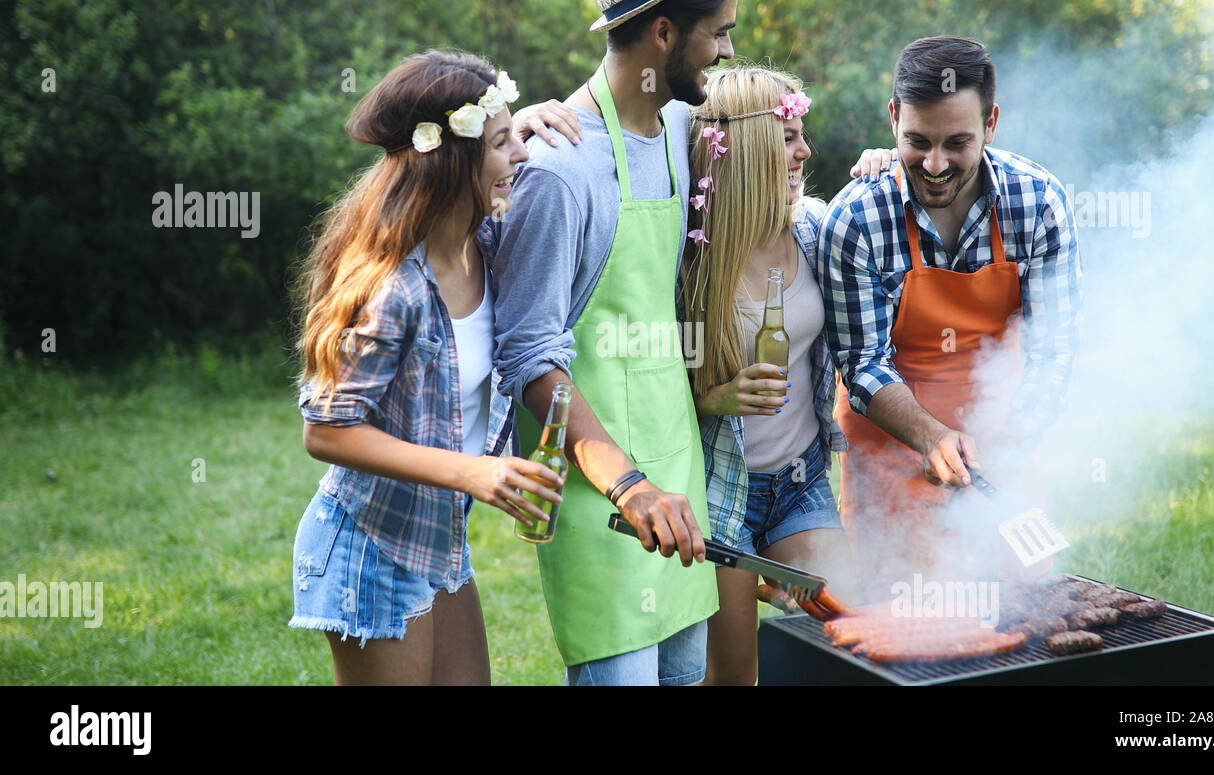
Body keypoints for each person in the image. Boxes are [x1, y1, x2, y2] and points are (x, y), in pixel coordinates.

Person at [288, 49, 578, 685]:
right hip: (370, 546)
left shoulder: (484, 246)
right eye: (502, 144)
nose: (521, 157)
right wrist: (474, 471)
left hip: (438, 539)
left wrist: (519, 127)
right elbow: (326, 431)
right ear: (454, 162)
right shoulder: (395, 286)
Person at [491, 0, 743, 686]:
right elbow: (528, 359)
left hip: (679, 482)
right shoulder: (559, 168)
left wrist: (881, 163)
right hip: (604, 496)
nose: (727, 53)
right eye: (719, 34)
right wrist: (629, 486)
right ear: (664, 33)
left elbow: (782, 159)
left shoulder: (687, 129)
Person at [820, 36, 1082, 598]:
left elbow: (1053, 348)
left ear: (991, 123)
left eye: (957, 143)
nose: (935, 166)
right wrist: (931, 437)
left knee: (1019, 615)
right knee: (896, 623)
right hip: (888, 453)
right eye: (917, 142)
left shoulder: (1037, 204)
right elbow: (862, 362)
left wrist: (1010, 444)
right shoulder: (855, 220)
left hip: (1002, 442)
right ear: (893, 118)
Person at [680, 65, 894, 685]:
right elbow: (651, 379)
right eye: (789, 137)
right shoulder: (689, 258)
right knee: (735, 677)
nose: (807, 150)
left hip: (799, 483)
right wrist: (715, 396)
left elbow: (889, 221)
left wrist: (885, 169)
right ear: (745, 152)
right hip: (722, 497)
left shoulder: (814, 228)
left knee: (851, 639)